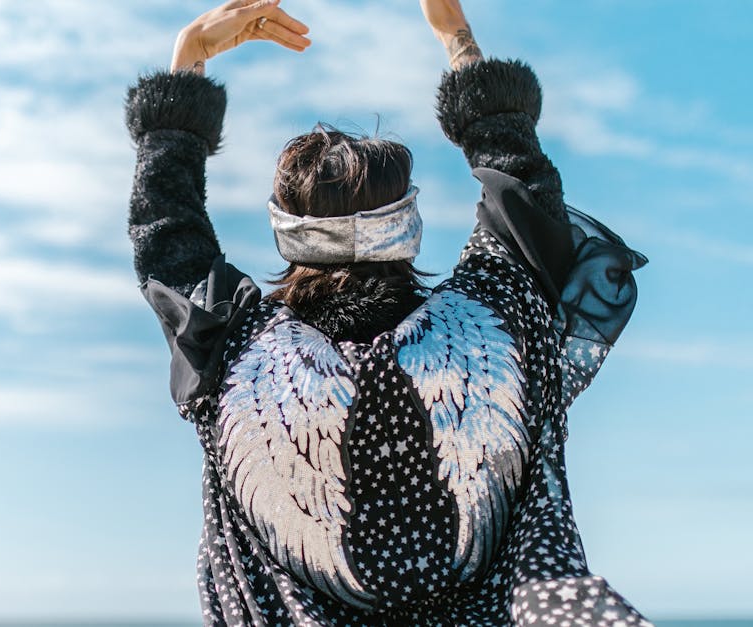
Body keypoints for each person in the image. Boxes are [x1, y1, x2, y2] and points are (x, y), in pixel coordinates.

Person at [125, 0, 651, 624]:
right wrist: (454, 32)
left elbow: (165, 231)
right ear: (407, 225)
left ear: (286, 231)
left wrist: (187, 62)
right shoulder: (496, 322)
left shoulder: (230, 350)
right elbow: (523, 190)